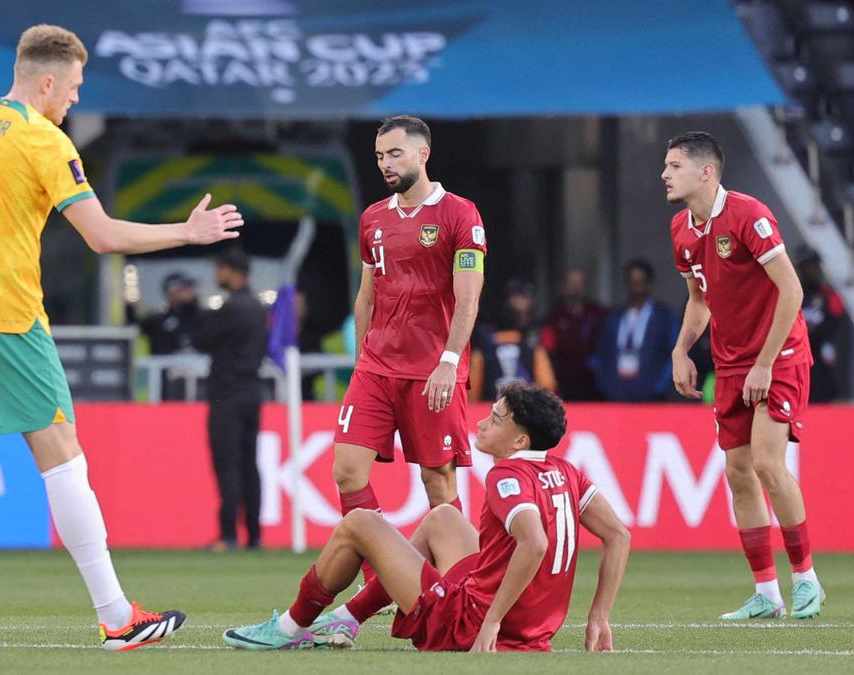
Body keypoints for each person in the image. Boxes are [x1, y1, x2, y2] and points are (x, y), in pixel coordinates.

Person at [0, 24, 242, 652]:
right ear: (49, 80)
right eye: (75, 87)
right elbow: (104, 237)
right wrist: (189, 235)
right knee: (62, 454)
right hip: (6, 316)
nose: (75, 100)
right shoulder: (44, 141)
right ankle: (116, 616)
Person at [223, 382, 630, 652]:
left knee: (359, 523)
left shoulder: (506, 476)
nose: (484, 422)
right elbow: (618, 535)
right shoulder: (567, 471)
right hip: (532, 630)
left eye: (498, 419)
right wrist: (599, 617)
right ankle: (347, 619)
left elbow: (535, 543)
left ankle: (290, 629)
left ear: (520, 441)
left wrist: (491, 622)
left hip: (470, 624)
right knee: (443, 520)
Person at [664, 131, 822, 620]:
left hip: (780, 355)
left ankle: (806, 580)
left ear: (705, 172)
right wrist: (681, 350)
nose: (665, 175)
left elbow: (792, 292)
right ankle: (767, 594)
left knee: (769, 465)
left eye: (674, 165)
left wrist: (765, 363)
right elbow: (698, 299)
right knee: (737, 472)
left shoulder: (749, 214)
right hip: (732, 363)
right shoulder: (680, 229)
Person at [333, 115, 486, 581]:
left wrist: (449, 361)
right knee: (347, 471)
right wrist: (363, 359)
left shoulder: (460, 214)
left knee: (438, 483)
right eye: (379, 155)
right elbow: (367, 295)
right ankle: (386, 579)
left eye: (395, 153)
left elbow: (468, 295)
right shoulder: (373, 219)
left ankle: (464, 588)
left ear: (423, 154)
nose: (385, 163)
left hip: (432, 371)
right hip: (377, 368)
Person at [191, 249, 268, 551]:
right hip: (252, 393)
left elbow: (200, 338)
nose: (215, 276)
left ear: (232, 271)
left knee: (228, 464)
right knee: (250, 463)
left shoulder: (232, 308)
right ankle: (255, 535)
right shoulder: (258, 308)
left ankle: (228, 535)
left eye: (219, 269)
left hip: (227, 396)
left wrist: (193, 311)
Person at [591, 259, 680, 402]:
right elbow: (600, 354)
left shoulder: (664, 317)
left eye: (640, 283)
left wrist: (659, 386)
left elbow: (675, 353)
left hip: (651, 397)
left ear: (649, 284)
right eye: (632, 283)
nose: (636, 288)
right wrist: (606, 385)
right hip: (616, 395)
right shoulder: (615, 317)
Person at [469, 279, 556, 401]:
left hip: (501, 411)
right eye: (515, 296)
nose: (519, 302)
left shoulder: (540, 330)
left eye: (524, 296)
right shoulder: (533, 351)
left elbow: (472, 393)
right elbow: (548, 387)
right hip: (519, 411)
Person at [130, 270, 202, 400]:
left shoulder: (203, 318)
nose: (191, 291)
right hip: (167, 390)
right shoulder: (156, 321)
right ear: (172, 292)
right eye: (186, 288)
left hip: (201, 388)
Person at [540, 267, 607, 401]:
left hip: (595, 387)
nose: (576, 288)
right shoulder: (554, 319)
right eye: (572, 284)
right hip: (564, 387)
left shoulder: (599, 315)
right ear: (563, 287)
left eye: (579, 283)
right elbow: (546, 352)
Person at [796, 250, 844, 402]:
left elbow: (834, 324)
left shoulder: (829, 295)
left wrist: (810, 333)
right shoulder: (794, 294)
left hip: (821, 359)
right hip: (797, 357)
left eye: (816, 266)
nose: (814, 271)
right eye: (809, 266)